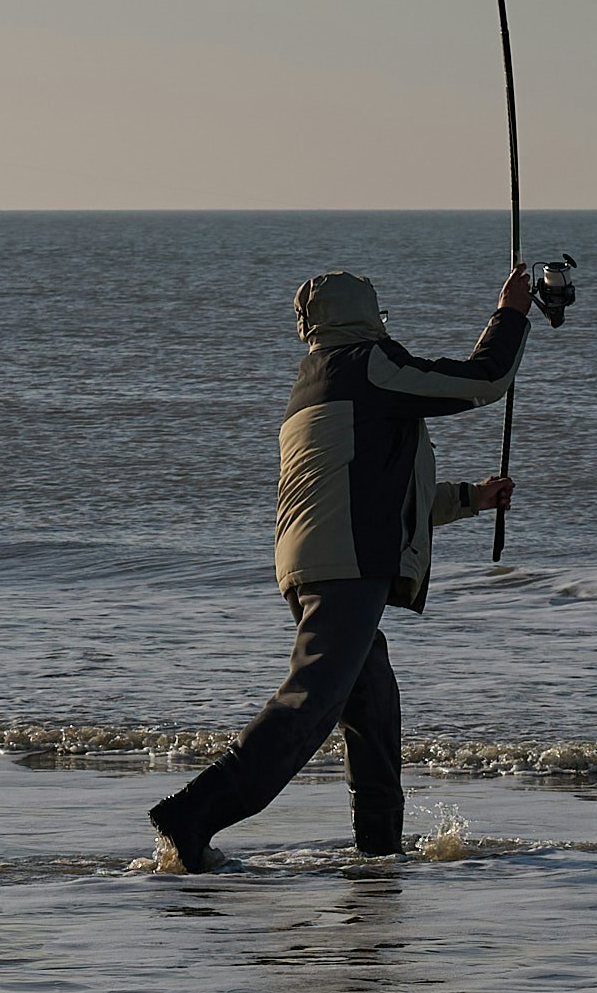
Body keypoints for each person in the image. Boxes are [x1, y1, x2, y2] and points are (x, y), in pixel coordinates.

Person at [148, 264, 545, 870]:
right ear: (363, 314)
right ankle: (193, 812)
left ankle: (379, 850)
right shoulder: (368, 364)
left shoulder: (317, 382)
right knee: (310, 704)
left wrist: (469, 498)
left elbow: (376, 494)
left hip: (316, 562)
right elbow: (484, 381)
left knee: (374, 709)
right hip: (346, 566)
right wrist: (512, 313)